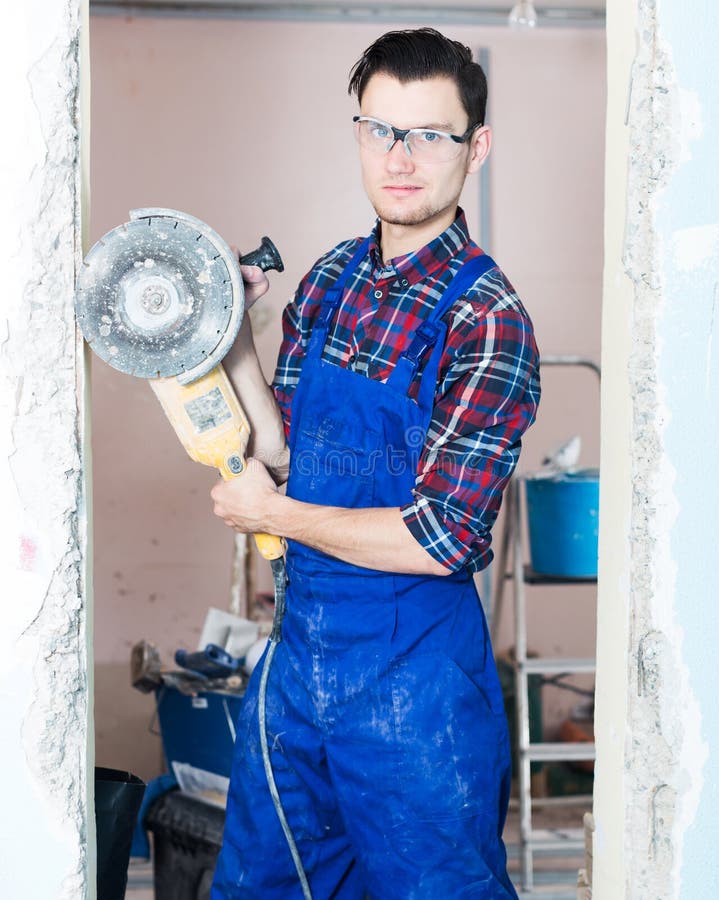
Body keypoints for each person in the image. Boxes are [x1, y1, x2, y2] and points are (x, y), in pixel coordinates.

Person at [210, 27, 540, 899]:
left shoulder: (484, 318)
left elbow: (441, 537)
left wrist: (270, 517)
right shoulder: (328, 281)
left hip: (415, 696)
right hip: (298, 671)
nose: (402, 158)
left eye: (431, 135)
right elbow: (283, 449)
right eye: (381, 129)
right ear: (358, 133)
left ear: (477, 149)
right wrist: (231, 333)